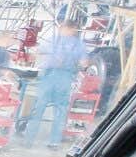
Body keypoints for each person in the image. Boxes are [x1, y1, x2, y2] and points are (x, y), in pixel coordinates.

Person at [18, 16, 88, 147]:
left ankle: (28, 140)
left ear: (67, 28)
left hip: (49, 77)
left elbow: (37, 53)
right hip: (66, 79)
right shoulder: (79, 45)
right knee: (60, 111)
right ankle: (54, 142)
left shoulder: (53, 40)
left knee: (39, 108)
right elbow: (84, 63)